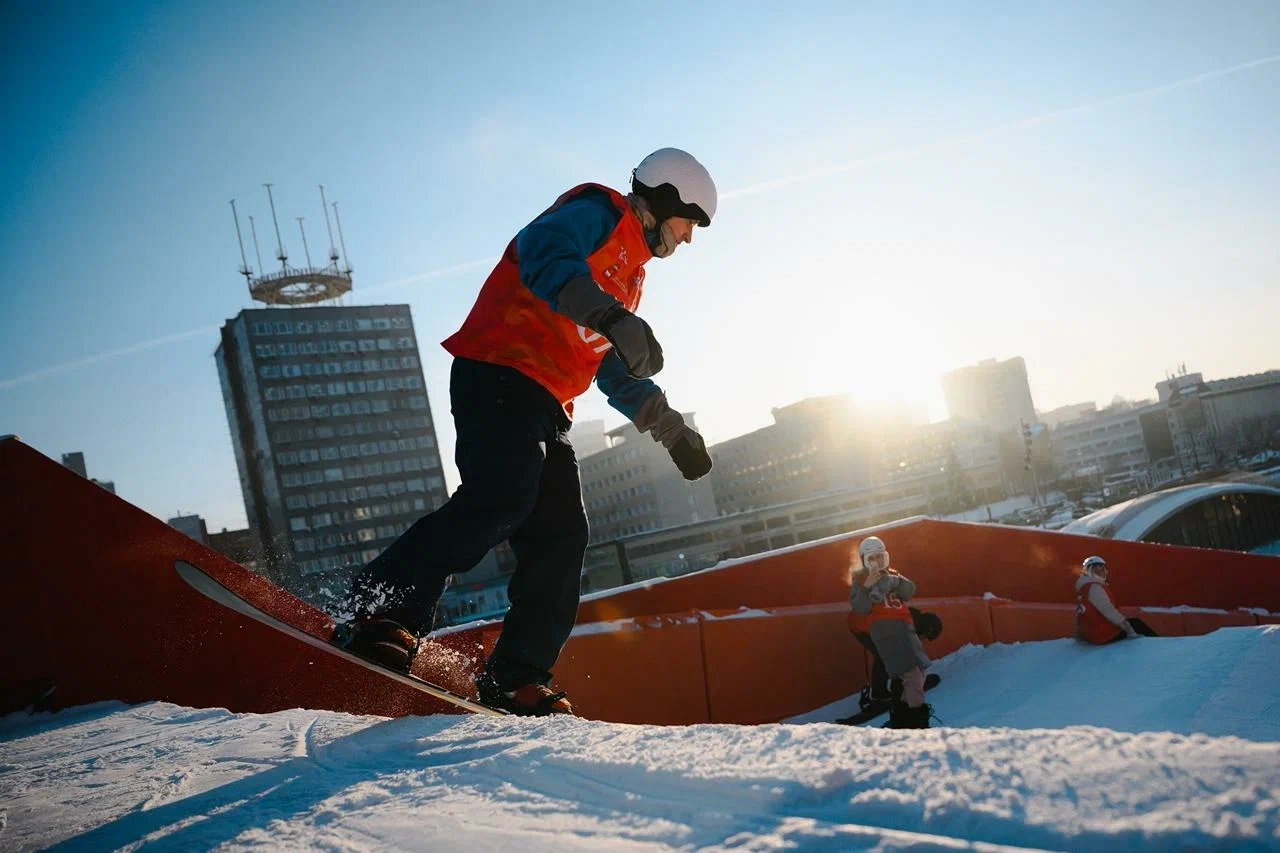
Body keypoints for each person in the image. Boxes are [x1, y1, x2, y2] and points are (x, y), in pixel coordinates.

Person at [338, 148, 718, 716]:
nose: (687, 239)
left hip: (548, 401)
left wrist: (671, 430)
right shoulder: (599, 213)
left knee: (562, 534)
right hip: (497, 369)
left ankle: (515, 674)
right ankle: (382, 606)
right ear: (666, 199)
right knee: (503, 494)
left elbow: (611, 369)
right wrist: (613, 317)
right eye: (689, 223)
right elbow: (540, 249)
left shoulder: (630, 282)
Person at [848, 535, 934, 729]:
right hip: (886, 632)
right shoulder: (862, 580)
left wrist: (895, 581)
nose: (876, 562)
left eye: (880, 557)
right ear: (863, 561)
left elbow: (910, 590)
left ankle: (903, 714)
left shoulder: (891, 575)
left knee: (917, 670)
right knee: (910, 674)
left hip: (905, 629)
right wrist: (867, 586)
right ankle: (914, 718)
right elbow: (859, 606)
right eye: (871, 558)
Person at [1074, 555, 1158, 644]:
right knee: (1137, 624)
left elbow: (1080, 614)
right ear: (1087, 571)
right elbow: (1109, 611)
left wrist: (1079, 635)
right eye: (1095, 569)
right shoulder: (1095, 587)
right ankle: (1158, 647)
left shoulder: (1084, 588)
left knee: (1134, 622)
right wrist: (1129, 630)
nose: (1099, 572)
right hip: (1102, 635)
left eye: (1101, 569)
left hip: (1091, 634)